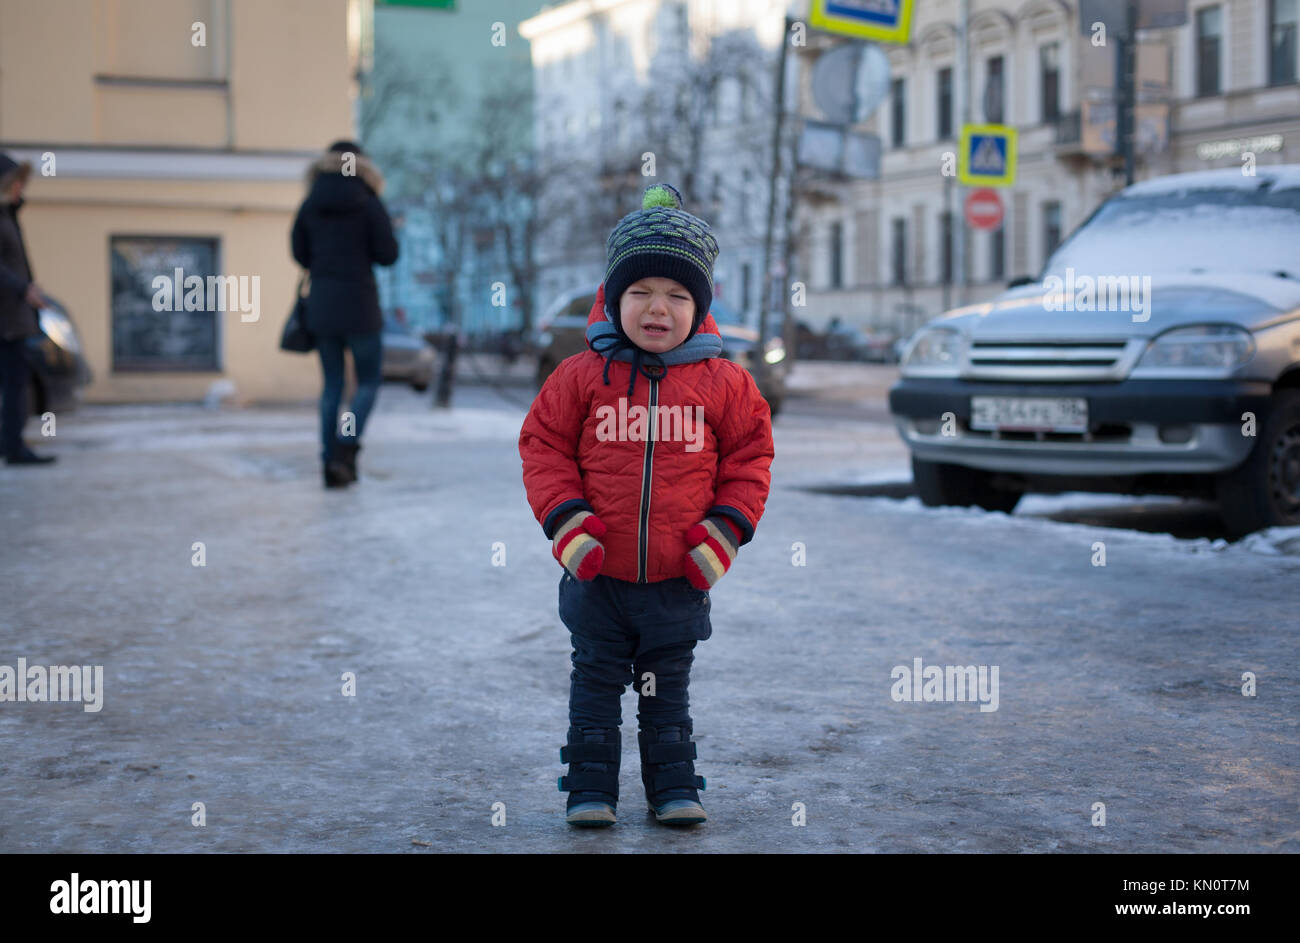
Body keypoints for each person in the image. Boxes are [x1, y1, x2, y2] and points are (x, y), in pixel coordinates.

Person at [519, 183, 774, 827]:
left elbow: (750, 459)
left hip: (678, 578)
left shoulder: (726, 384)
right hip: (596, 573)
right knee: (595, 690)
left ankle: (674, 789)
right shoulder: (580, 377)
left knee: (667, 695)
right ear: (612, 298)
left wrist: (725, 532)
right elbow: (543, 446)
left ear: (701, 307)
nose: (657, 308)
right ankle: (590, 792)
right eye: (640, 293)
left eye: (677, 296)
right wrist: (566, 520)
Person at [291, 140, 398, 487]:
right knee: (366, 383)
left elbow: (299, 252)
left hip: (322, 306)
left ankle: (328, 460)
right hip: (361, 306)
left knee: (332, 386)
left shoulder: (311, 201)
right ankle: (346, 450)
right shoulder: (368, 201)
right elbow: (388, 254)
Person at [0, 153, 55, 465]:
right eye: (17, 182)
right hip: (7, 319)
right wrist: (25, 289)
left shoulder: (8, 216)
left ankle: (9, 443)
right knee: (16, 382)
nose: (23, 188)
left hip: (14, 317)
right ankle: (14, 447)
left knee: (14, 382)